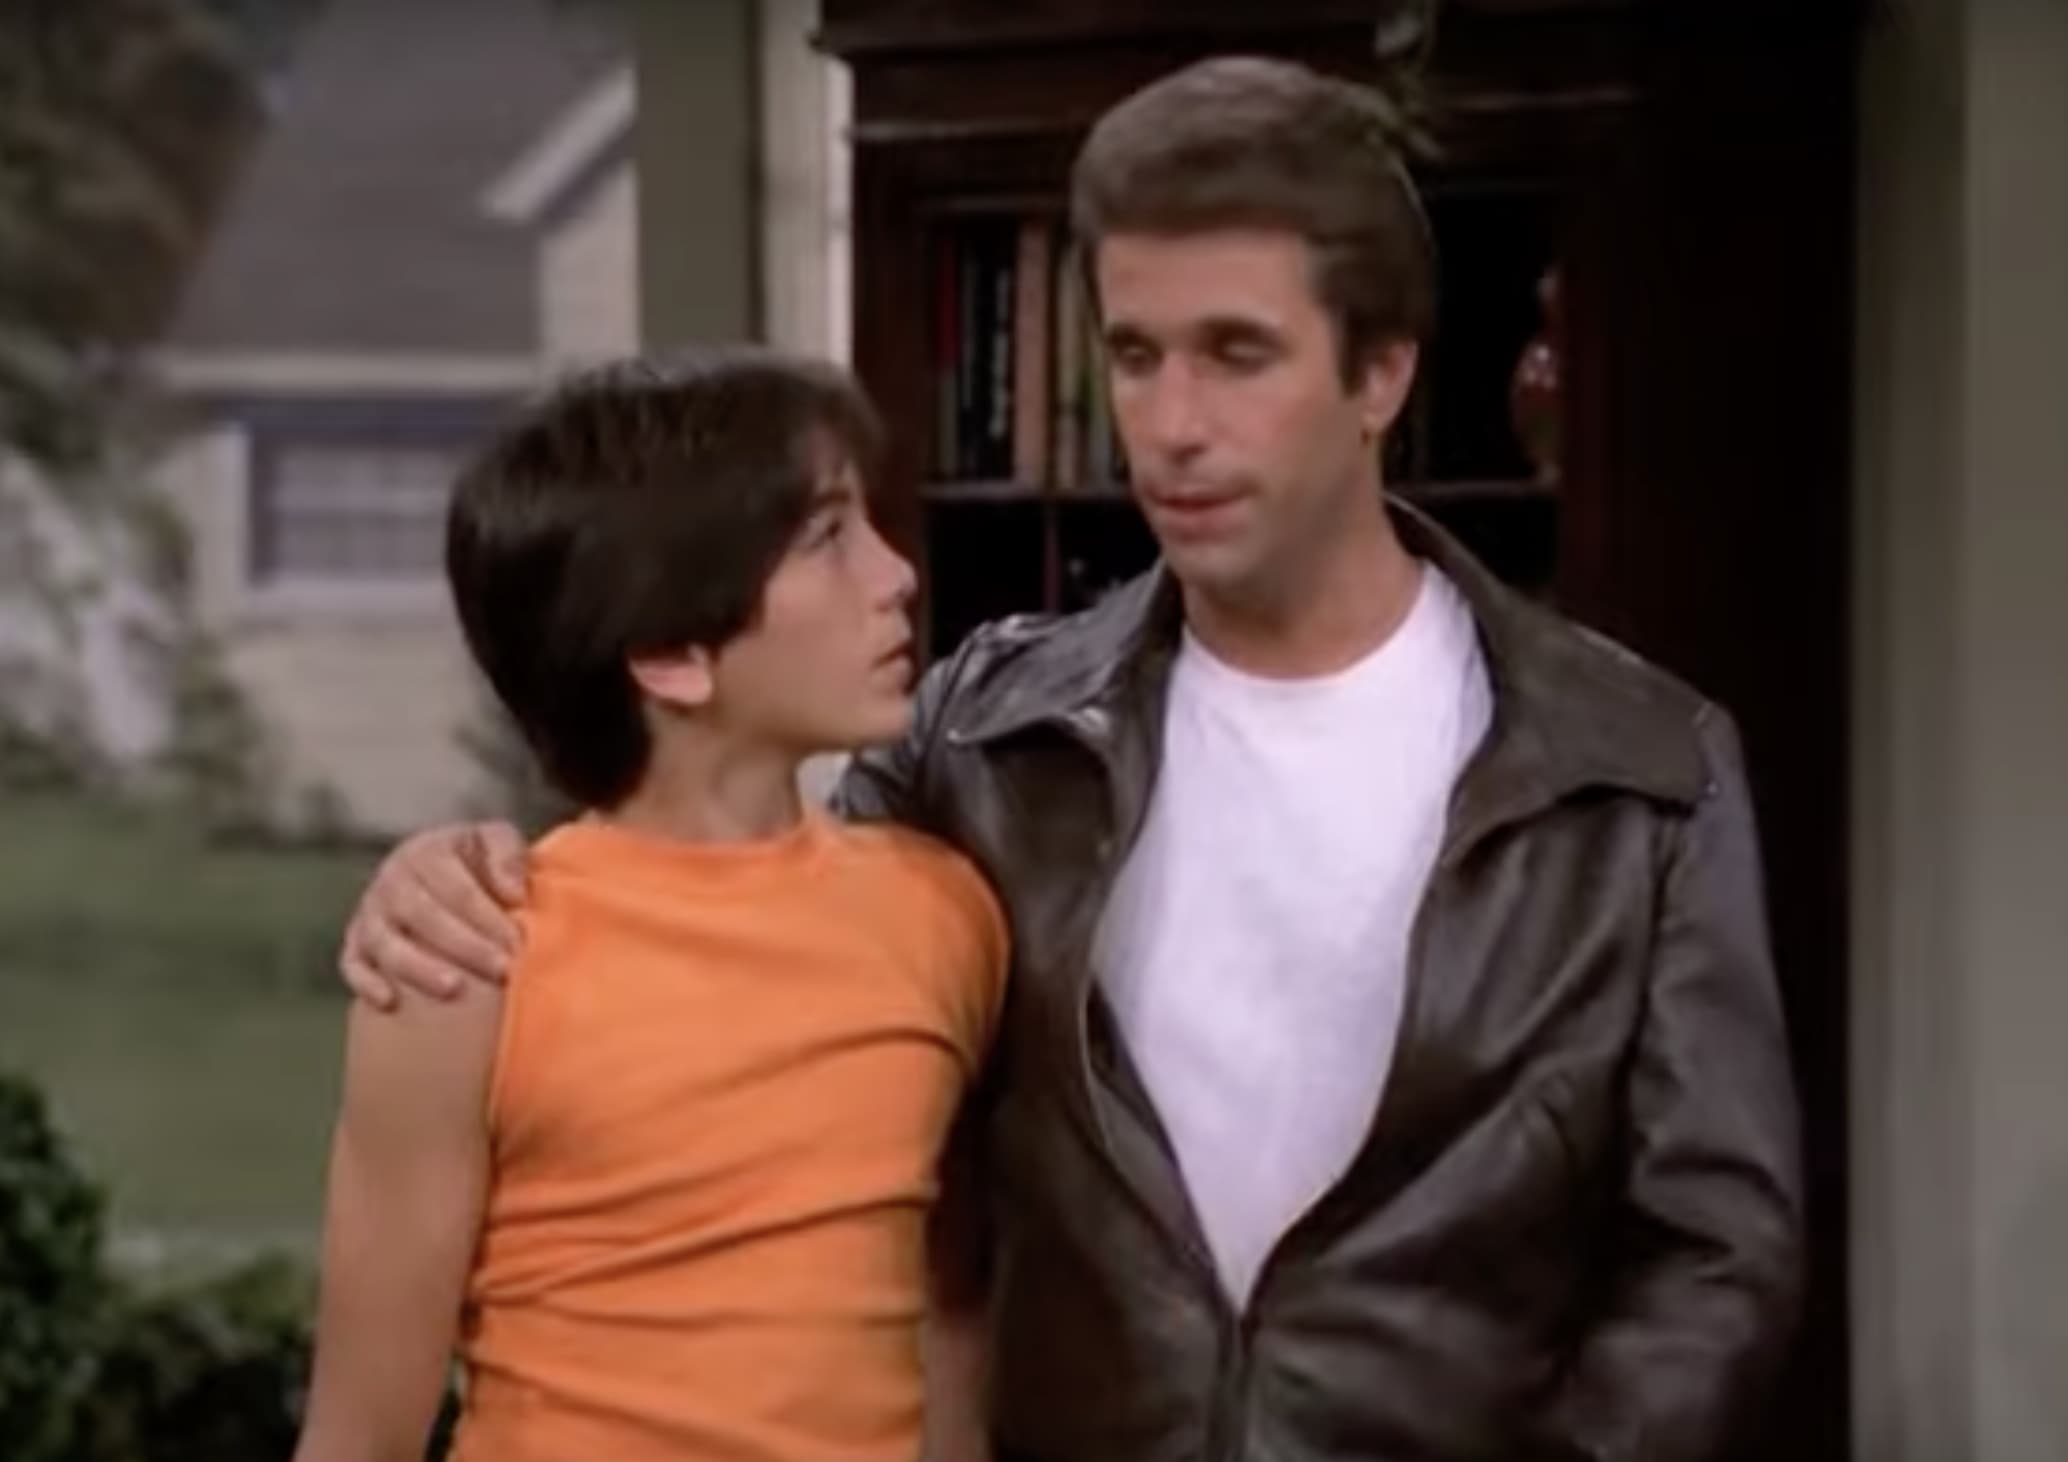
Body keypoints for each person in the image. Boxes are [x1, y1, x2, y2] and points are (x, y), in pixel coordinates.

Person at [339, 56, 1803, 1462]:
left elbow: (1718, 1256)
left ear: (1380, 375)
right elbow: (723, 908)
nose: (1171, 427)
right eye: (1133, 356)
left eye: (1236, 355)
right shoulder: (986, 738)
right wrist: (449, 875)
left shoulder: (1635, 768)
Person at [292, 352, 1007, 1462]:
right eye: (826, 538)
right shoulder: (470, 962)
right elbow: (358, 1439)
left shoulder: (943, 913)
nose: (896, 574)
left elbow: (955, 1295)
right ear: (671, 655)